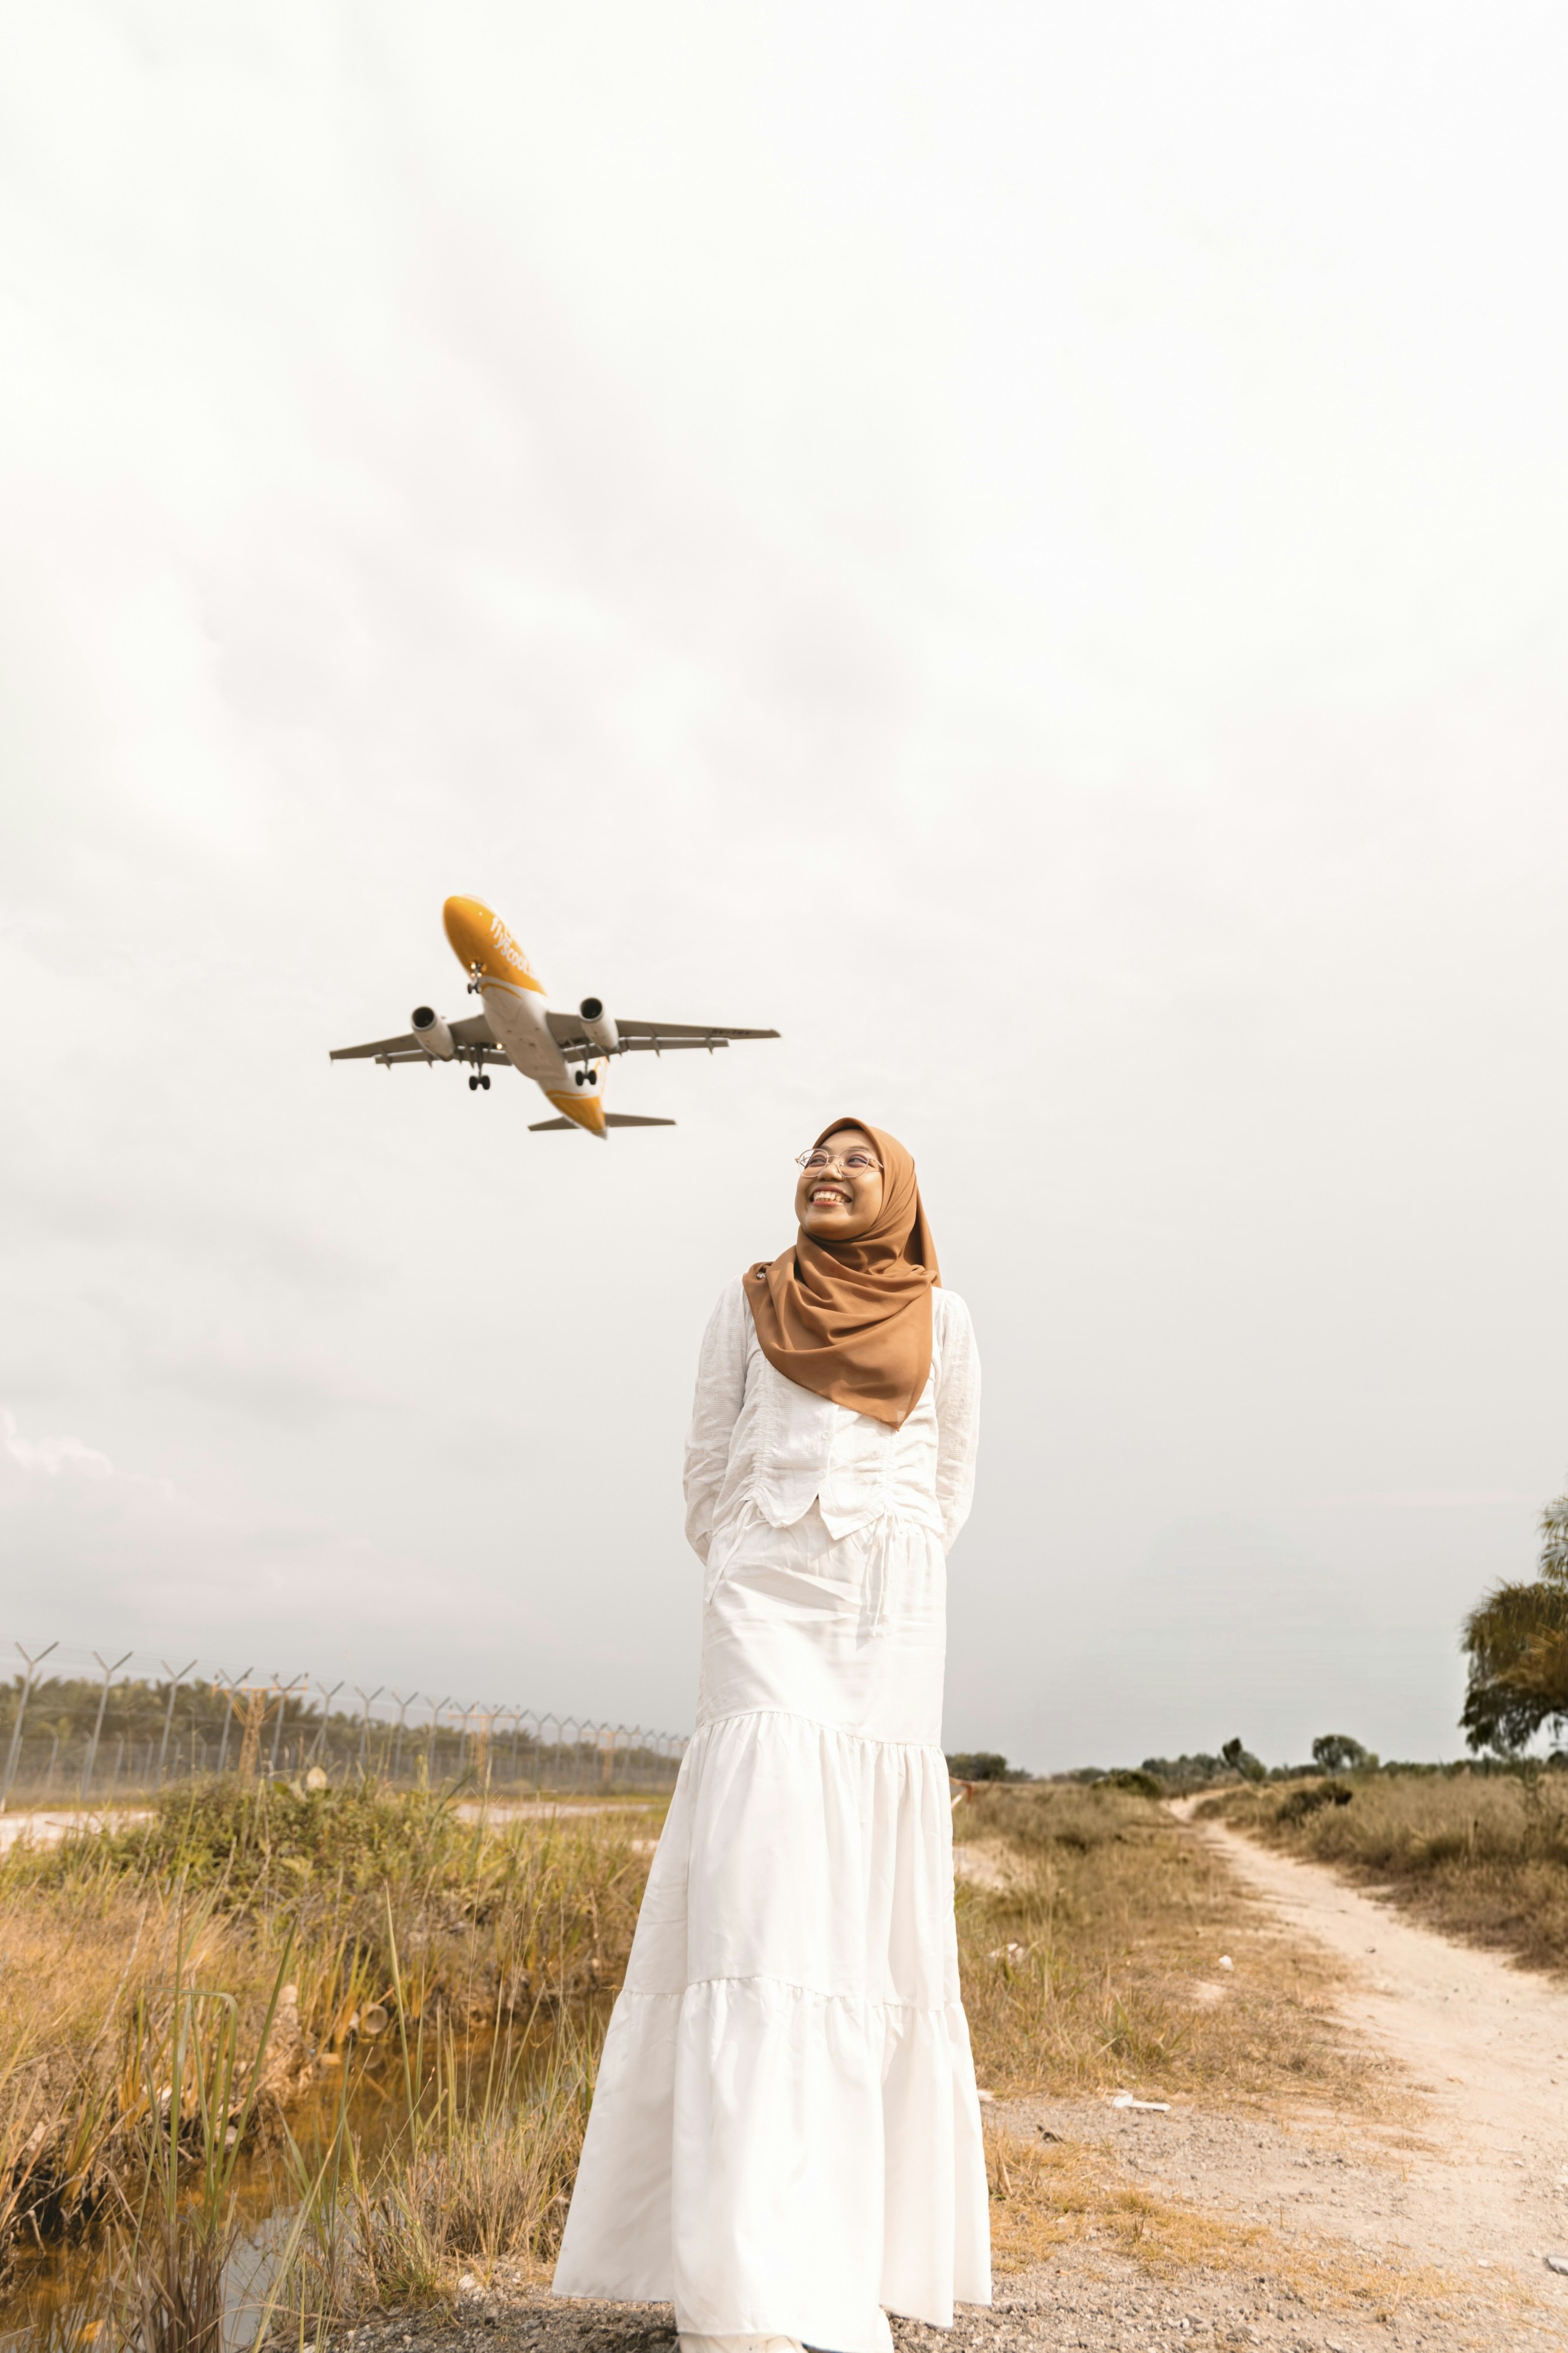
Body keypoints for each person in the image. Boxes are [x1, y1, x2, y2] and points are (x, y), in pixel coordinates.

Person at [553, 1118, 989, 2353]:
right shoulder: (744, 1301)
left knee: (852, 1916)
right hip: (760, 1604)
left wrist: (878, 1560)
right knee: (753, 1902)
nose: (831, 1169)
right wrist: (755, 1553)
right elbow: (702, 1468)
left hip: (884, 1619)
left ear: (896, 1190)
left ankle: (840, 2262)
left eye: (859, 1159)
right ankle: (736, 2286)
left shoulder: (946, 1322)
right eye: (816, 1154)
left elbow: (950, 1481)